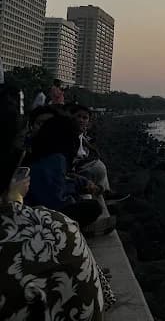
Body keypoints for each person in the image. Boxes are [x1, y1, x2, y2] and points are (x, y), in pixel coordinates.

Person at [0, 83, 105, 319]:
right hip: (48, 214)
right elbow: (90, 308)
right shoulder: (58, 231)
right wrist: (16, 199)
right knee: (92, 206)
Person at [25, 113, 104, 228]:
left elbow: (58, 182)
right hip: (42, 218)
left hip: (35, 207)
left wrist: (80, 185)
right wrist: (75, 198)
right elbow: (56, 201)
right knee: (93, 207)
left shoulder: (41, 151)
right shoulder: (56, 158)